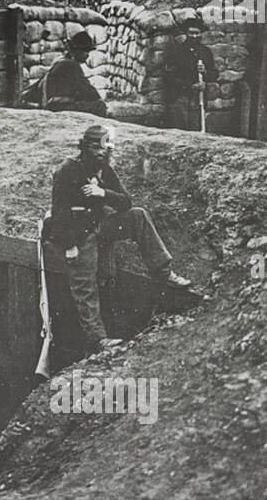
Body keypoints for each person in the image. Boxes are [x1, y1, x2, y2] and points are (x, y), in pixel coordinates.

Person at [49, 124, 193, 354]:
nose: (101, 152)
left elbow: (126, 202)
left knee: (138, 216)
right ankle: (97, 340)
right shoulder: (68, 170)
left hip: (101, 227)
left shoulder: (105, 171)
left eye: (105, 148)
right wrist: (69, 246)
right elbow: (59, 212)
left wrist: (103, 193)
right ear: (85, 147)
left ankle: (163, 272)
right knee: (85, 286)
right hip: (78, 234)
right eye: (96, 147)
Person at [162, 17, 219, 131]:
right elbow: (169, 77)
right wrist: (190, 86)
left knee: (196, 128)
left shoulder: (205, 52)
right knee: (180, 130)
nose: (194, 36)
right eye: (191, 33)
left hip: (198, 99)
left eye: (197, 33)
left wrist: (205, 72)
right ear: (186, 33)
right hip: (180, 97)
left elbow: (214, 74)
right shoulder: (177, 51)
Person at [39, 29, 107, 116]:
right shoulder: (71, 65)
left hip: (55, 104)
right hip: (59, 106)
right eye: (85, 51)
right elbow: (88, 90)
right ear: (76, 50)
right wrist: (99, 100)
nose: (87, 55)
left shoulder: (62, 61)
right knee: (99, 105)